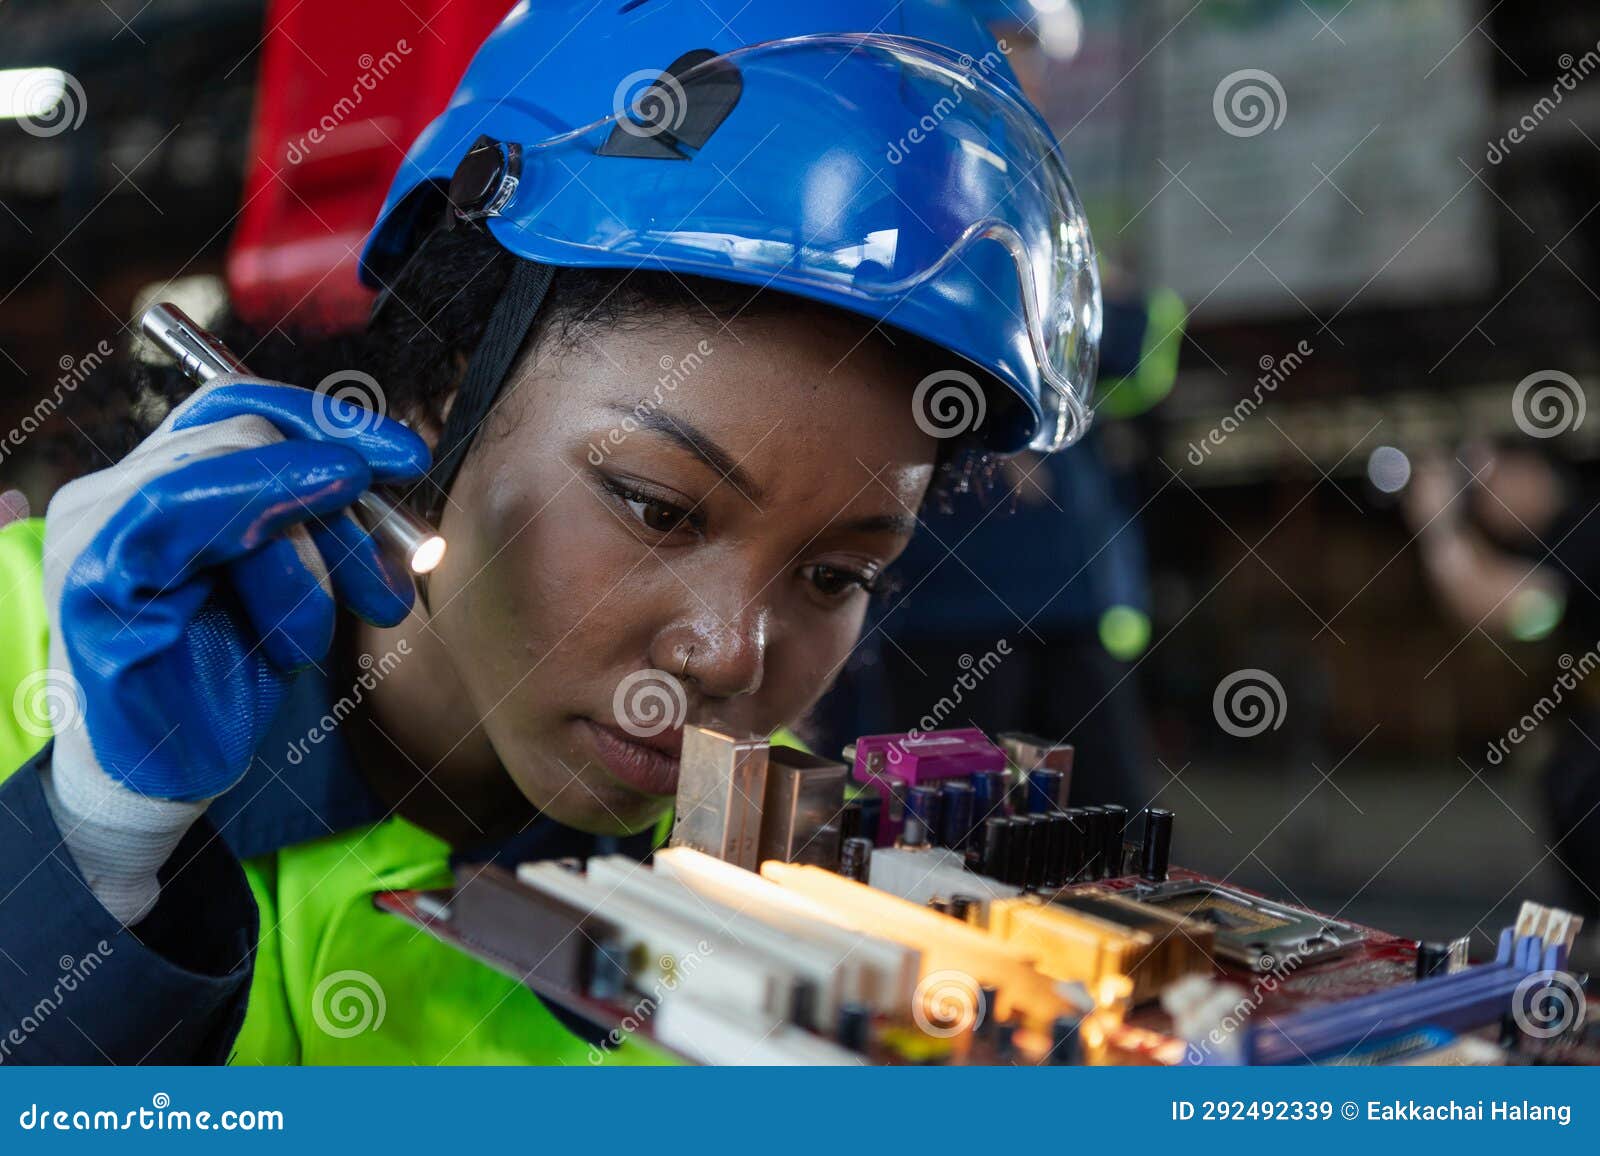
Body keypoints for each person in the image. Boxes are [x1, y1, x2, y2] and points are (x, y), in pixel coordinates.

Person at [0, 0, 1102, 1063]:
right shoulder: (24, 643)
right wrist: (93, 841)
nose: (729, 655)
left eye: (835, 572)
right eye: (658, 506)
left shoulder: (818, 914)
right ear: (438, 387)